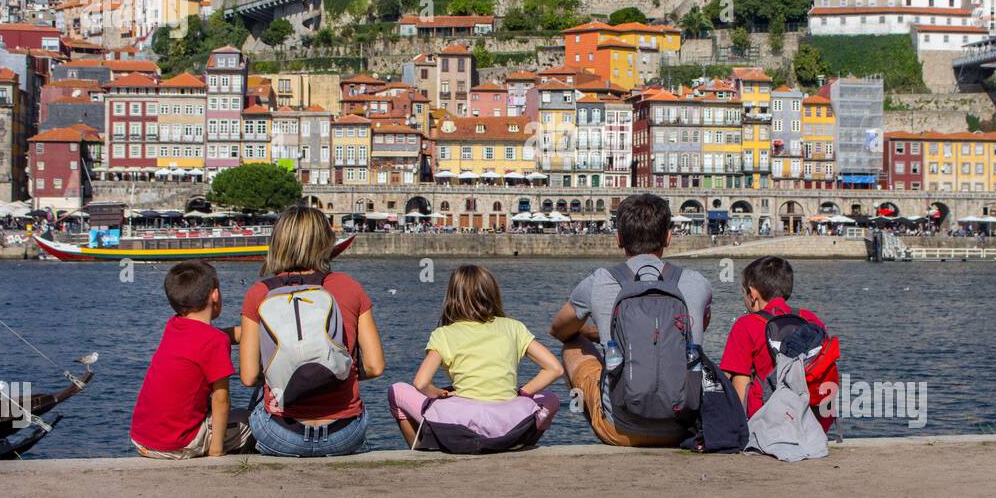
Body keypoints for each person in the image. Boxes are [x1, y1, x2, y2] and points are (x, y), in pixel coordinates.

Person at [550, 192, 712, 447]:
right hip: (684, 428)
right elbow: (696, 330)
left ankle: (598, 416)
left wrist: (596, 334)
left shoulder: (599, 281)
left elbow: (559, 329)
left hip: (619, 430)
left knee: (571, 346)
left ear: (618, 239)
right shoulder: (697, 284)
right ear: (668, 237)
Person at [238, 206, 385, 456]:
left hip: (283, 435)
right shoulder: (349, 287)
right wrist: (328, 376)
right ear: (326, 243)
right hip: (343, 435)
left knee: (251, 406)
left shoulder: (259, 293)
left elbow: (249, 376)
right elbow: (375, 367)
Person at [388, 265, 563, 449]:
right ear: (492, 293)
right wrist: (524, 394)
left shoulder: (444, 334)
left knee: (396, 390)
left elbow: (421, 383)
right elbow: (555, 369)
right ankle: (519, 445)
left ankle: (419, 449)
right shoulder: (514, 327)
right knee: (551, 398)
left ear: (452, 297)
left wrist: (438, 393)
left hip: (461, 422)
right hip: (509, 420)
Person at [130, 259, 254, 459]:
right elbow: (221, 400)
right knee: (249, 420)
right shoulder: (214, 342)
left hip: (142, 440)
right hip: (176, 445)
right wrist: (216, 450)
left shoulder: (174, 325)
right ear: (215, 295)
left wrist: (249, 333)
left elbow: (210, 338)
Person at [719, 256, 836, 430]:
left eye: (744, 293)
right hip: (813, 424)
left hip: (766, 426)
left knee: (737, 373)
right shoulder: (812, 320)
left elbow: (732, 384)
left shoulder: (746, 325)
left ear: (753, 294)